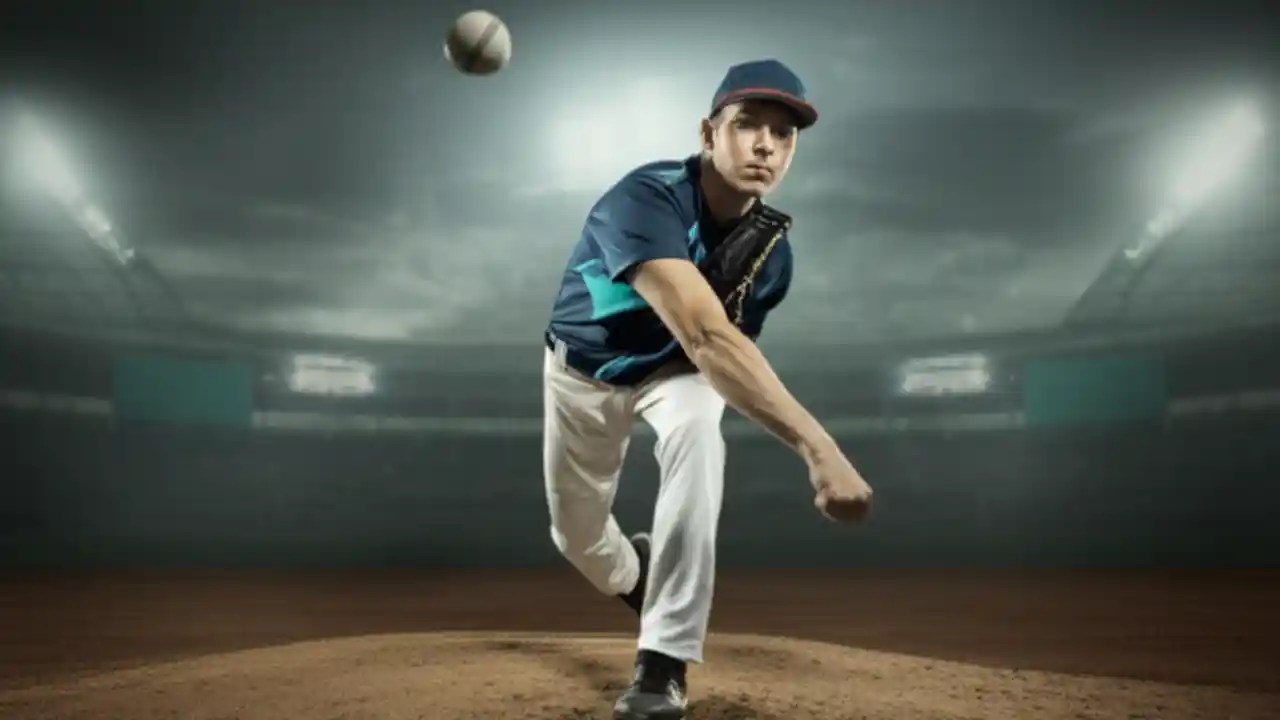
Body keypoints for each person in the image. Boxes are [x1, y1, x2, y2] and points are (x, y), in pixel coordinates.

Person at [541, 58, 874, 720]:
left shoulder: (772, 256)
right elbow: (709, 336)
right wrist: (818, 446)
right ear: (708, 131)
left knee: (700, 435)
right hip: (584, 369)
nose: (765, 145)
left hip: (675, 371)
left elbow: (720, 356)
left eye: (784, 134)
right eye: (748, 125)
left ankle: (662, 664)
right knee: (574, 536)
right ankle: (636, 576)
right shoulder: (643, 198)